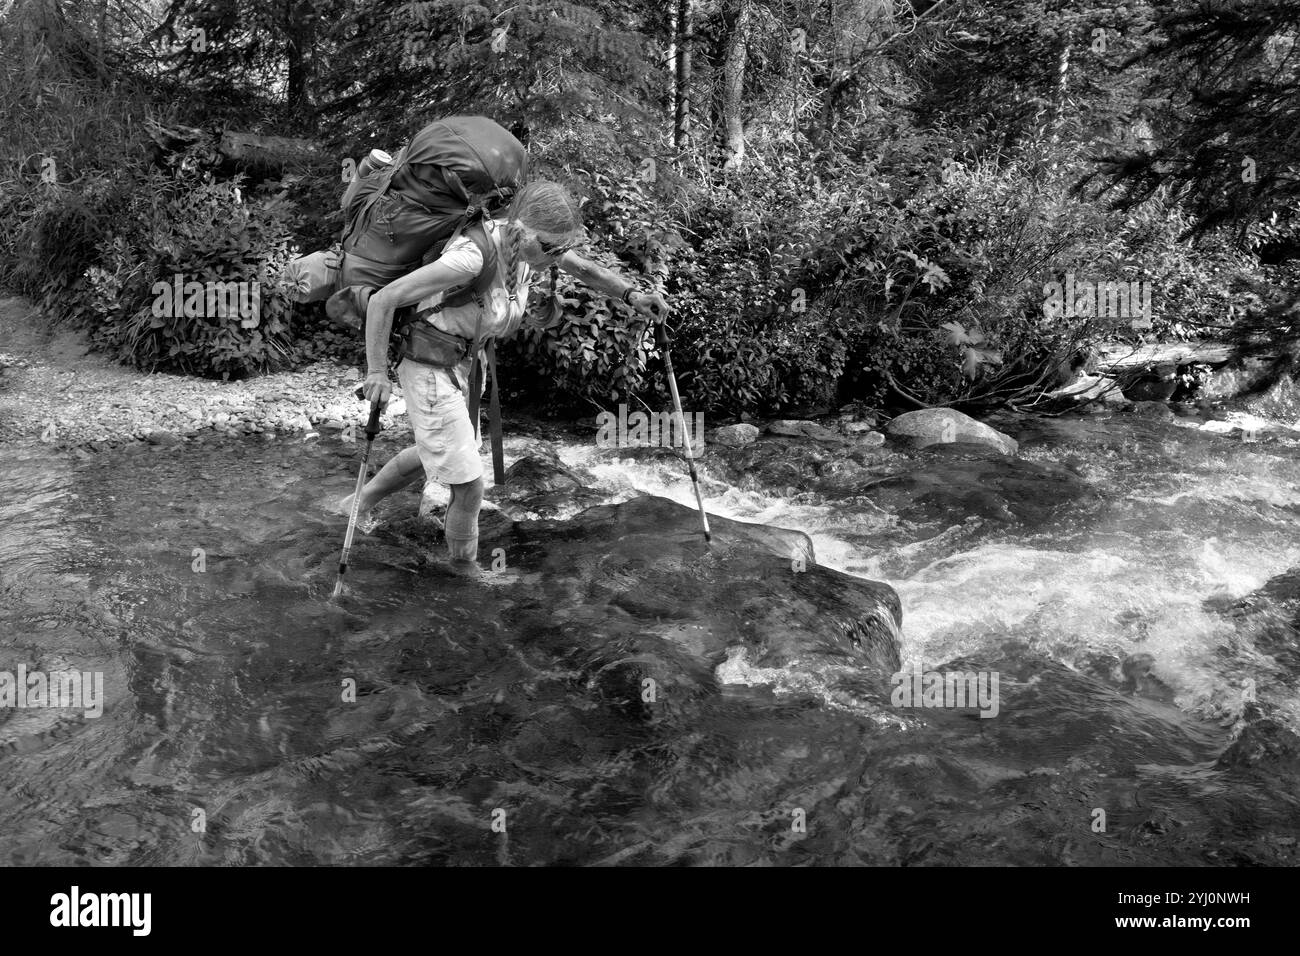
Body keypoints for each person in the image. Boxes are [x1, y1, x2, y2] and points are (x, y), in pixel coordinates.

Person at [341, 180, 669, 563]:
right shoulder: (472, 257)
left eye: (561, 248)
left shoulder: (534, 250)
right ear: (519, 227)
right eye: (549, 247)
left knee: (445, 448)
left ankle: (356, 503)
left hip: (467, 361)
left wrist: (633, 295)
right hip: (429, 365)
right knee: (469, 486)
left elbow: (586, 271)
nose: (555, 257)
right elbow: (385, 299)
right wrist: (376, 372)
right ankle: (465, 575)